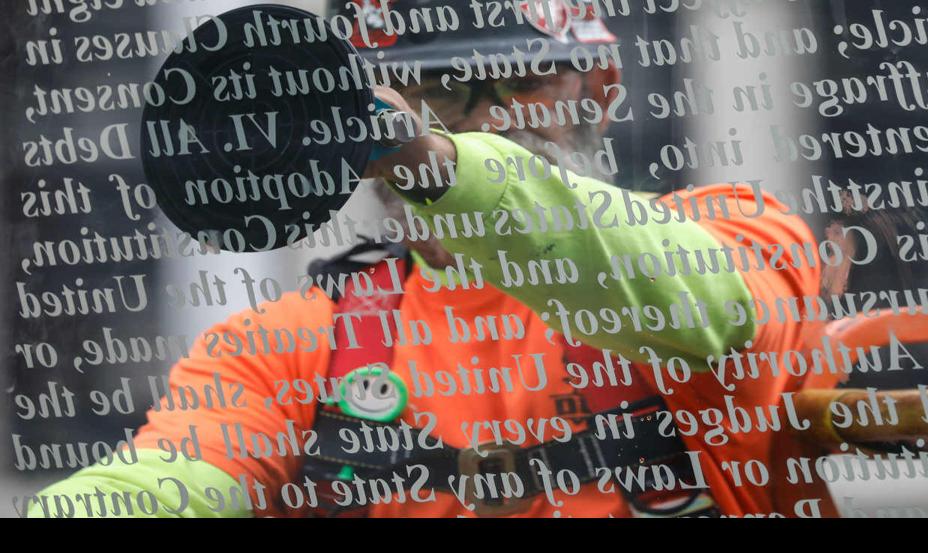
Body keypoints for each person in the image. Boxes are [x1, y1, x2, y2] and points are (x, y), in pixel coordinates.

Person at [26, 0, 826, 518]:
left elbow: (688, 300)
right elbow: (168, 486)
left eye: (515, 81)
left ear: (605, 87)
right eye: (432, 89)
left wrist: (437, 160)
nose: (480, 122)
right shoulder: (286, 344)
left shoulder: (745, 232)